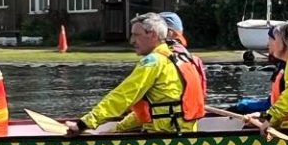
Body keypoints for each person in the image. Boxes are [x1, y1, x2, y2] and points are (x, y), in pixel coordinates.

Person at [72, 12, 206, 133]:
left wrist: (84, 124)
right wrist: (118, 128)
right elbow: (153, 111)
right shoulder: (183, 59)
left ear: (153, 34)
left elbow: (122, 96)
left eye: (136, 35)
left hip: (161, 138)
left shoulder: (154, 61)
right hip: (185, 135)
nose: (132, 41)